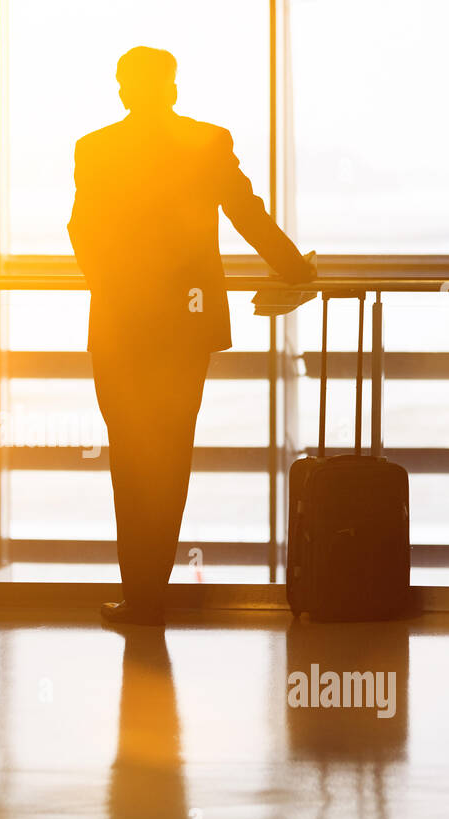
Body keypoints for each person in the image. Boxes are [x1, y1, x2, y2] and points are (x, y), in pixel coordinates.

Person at [68, 46, 316, 626]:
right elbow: (246, 212)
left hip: (121, 322)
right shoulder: (207, 141)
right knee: (171, 453)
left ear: (124, 90)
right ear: (172, 87)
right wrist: (295, 270)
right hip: (185, 322)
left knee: (129, 457)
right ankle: (152, 593)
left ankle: (140, 597)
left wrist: (113, 285)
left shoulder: (97, 148)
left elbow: (82, 229)